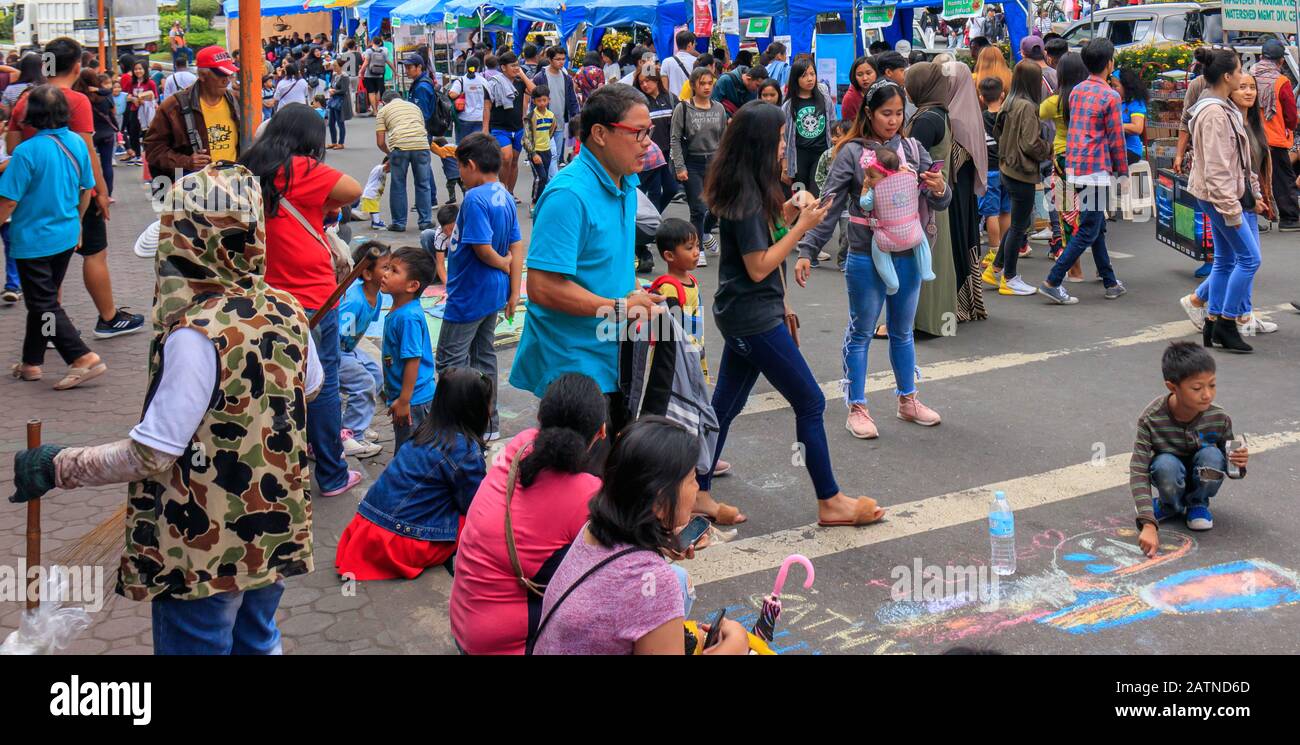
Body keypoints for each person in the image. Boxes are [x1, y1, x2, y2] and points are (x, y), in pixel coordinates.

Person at [10, 161, 322, 654]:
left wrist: (60, 465)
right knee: (258, 639)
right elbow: (310, 388)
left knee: (200, 643)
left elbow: (151, 454)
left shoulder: (195, 335)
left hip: (201, 547)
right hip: (273, 528)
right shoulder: (286, 308)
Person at [690, 101, 884, 527]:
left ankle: (696, 489)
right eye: (779, 139)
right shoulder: (743, 196)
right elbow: (759, 263)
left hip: (752, 312)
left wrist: (791, 213)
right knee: (810, 401)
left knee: (726, 404)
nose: (784, 146)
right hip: (751, 318)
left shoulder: (753, 186)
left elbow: (765, 241)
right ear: (760, 144)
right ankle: (829, 501)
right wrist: (802, 226)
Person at [799, 81, 950, 441]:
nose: (893, 121)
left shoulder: (913, 149)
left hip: (910, 252)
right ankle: (857, 405)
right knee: (862, 330)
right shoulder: (850, 152)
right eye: (886, 113)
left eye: (899, 113)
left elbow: (941, 201)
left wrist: (939, 186)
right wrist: (807, 249)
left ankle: (907, 399)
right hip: (866, 254)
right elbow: (830, 204)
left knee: (902, 330)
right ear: (869, 113)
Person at [510, 85, 661, 442]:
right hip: (575, 364)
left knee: (615, 468)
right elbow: (543, 287)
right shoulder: (569, 195)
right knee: (581, 480)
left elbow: (605, 265)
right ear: (600, 134)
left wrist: (639, 294)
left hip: (613, 352)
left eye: (649, 132)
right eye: (637, 133)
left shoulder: (624, 183)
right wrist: (619, 307)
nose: (647, 143)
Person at [532, 417, 751, 655]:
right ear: (659, 500)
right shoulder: (656, 583)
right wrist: (734, 647)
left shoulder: (593, 530)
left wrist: (659, 542)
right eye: (690, 479)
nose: (697, 487)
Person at [241, 103, 364, 498]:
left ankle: (279, 465)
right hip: (312, 296)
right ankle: (331, 474)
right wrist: (325, 202)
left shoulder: (251, 167)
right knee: (322, 384)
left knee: (275, 382)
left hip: (265, 295)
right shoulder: (300, 168)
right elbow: (353, 190)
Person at [450, 373, 608, 655]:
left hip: (464, 630)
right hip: (510, 646)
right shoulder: (588, 494)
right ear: (602, 432)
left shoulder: (520, 445)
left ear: (539, 418)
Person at [10, 38, 140, 339]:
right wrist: (101, 192)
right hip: (77, 194)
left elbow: (14, 149)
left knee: (47, 270)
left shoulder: (25, 99)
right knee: (95, 253)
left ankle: (50, 331)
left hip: (35, 196)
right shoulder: (76, 101)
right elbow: (86, 151)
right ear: (78, 66)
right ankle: (108, 318)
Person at [336, 367, 491, 580]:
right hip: (399, 544)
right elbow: (475, 504)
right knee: (487, 517)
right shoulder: (463, 449)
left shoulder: (425, 431)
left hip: (367, 530)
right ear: (476, 409)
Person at [1, 85, 103, 389]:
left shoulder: (26, 152)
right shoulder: (76, 143)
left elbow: (8, 201)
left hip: (33, 240)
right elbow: (87, 189)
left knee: (44, 302)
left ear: (31, 115)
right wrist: (80, 225)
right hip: (66, 234)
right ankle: (32, 362)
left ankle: (81, 356)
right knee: (42, 300)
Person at [1180, 71, 1278, 338]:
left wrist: (1259, 197)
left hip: (1245, 199)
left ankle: (1210, 307)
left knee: (1232, 260)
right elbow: (1218, 171)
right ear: (1228, 86)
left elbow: (1253, 169)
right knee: (1247, 259)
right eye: (1241, 85)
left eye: (1252, 87)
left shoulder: (1249, 122)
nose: (1247, 91)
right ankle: (1234, 316)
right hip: (1232, 201)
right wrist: (1235, 205)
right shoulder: (1222, 119)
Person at [439, 133, 522, 440]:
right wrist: (514, 291)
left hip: (469, 294)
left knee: (451, 362)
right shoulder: (503, 193)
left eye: (460, 167)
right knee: (483, 356)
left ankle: (459, 427)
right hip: (493, 293)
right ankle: (490, 424)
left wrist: (501, 263)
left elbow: (483, 248)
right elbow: (517, 242)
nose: (459, 174)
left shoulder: (475, 198)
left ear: (471, 165)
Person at [1130, 342, 1248, 557]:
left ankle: (1197, 503)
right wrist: (1148, 522)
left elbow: (1231, 467)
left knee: (1212, 455)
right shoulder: (1151, 418)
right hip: (1169, 472)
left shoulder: (1219, 417)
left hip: (1202, 471)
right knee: (1165, 464)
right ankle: (1168, 505)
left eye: (1212, 385)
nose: (1207, 394)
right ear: (1172, 387)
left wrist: (1239, 465)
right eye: (1197, 388)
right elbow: (1138, 470)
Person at [1038, 39, 1128, 305]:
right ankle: (1053, 280)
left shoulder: (1077, 91)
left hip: (1075, 166)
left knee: (1095, 225)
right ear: (1109, 63)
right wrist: (1122, 173)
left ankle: (1110, 281)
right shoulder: (1111, 96)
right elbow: (1116, 139)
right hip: (1096, 170)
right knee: (1089, 228)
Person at [907, 61, 989, 333]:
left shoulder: (944, 118)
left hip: (947, 195)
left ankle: (941, 313)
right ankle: (954, 309)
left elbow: (929, 160)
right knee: (948, 252)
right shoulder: (954, 113)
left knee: (938, 253)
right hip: (956, 195)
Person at [986, 61, 1054, 297]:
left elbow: (999, 133)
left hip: (1007, 168)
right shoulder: (1026, 107)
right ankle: (1010, 277)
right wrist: (1048, 148)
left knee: (1016, 224)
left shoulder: (1009, 102)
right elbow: (1030, 143)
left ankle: (996, 268)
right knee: (1019, 226)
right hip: (1021, 172)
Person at [380, 246, 439, 450]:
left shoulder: (408, 317)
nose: (385, 274)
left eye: (394, 271)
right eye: (387, 267)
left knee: (410, 452)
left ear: (412, 285)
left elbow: (412, 360)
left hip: (415, 400)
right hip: (407, 397)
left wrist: (404, 400)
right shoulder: (400, 309)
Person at [856, 146, 937, 294]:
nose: (867, 179)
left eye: (871, 176)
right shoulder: (909, 179)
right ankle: (926, 270)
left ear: (886, 173)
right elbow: (916, 182)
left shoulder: (875, 190)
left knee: (879, 253)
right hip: (913, 232)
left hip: (886, 237)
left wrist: (865, 189)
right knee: (922, 242)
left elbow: (865, 205)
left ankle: (891, 282)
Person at [337, 241, 390, 460]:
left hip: (348, 348)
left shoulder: (376, 296)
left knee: (376, 374)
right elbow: (337, 335)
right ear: (367, 274)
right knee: (364, 383)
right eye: (385, 267)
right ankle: (351, 434)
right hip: (336, 351)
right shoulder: (355, 301)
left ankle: (360, 422)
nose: (389, 272)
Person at [671, 67, 728, 261]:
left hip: (714, 162)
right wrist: (680, 167)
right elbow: (675, 139)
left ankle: (704, 232)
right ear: (693, 85)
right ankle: (698, 249)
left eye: (709, 83)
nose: (706, 87)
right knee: (698, 208)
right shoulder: (683, 108)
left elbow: (723, 139)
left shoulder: (719, 108)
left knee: (717, 206)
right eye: (702, 83)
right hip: (692, 163)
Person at [1252, 39, 1299, 230]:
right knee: (1282, 179)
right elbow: (1290, 116)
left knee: (1253, 176)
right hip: (1275, 137)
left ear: (1262, 57)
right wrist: (1291, 126)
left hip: (1252, 135)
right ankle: (1290, 218)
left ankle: (1258, 217)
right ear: (1280, 61)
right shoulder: (1281, 81)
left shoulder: (1250, 75)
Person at [377, 90, 436, 231]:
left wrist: (389, 153)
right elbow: (422, 127)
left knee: (398, 184)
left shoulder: (383, 111)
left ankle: (399, 223)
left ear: (384, 102)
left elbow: (380, 142)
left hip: (399, 146)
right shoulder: (415, 107)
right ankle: (425, 221)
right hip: (421, 145)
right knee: (423, 184)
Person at [483, 52, 534, 198]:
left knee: (514, 161)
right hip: (499, 128)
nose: (516, 68)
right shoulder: (493, 83)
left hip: (517, 128)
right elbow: (487, 107)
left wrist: (523, 76)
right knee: (506, 157)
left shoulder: (520, 81)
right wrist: (485, 129)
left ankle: (510, 192)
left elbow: (534, 91)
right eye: (513, 66)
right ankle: (503, 189)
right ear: (503, 67)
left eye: (517, 65)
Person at [782, 58, 835, 197]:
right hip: (799, 156)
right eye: (804, 75)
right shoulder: (789, 105)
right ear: (795, 78)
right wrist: (785, 165)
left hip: (821, 153)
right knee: (800, 195)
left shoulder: (825, 99)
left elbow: (833, 125)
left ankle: (816, 219)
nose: (810, 79)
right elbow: (785, 136)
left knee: (817, 194)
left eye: (812, 74)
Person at [978, 76, 1011, 278]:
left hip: (988, 170)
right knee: (1006, 210)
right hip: (1007, 169)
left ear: (981, 97)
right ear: (1002, 94)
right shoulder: (1008, 116)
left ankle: (994, 251)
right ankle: (1006, 251)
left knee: (991, 212)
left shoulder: (980, 118)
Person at [636, 63, 679, 213]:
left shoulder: (671, 99)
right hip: (648, 155)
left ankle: (652, 219)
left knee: (672, 189)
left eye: (648, 80)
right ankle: (648, 227)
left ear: (656, 79)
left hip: (668, 154)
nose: (645, 85)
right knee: (651, 191)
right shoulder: (639, 103)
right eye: (641, 82)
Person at [532, 47, 580, 174]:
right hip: (542, 124)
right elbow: (534, 101)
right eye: (557, 59)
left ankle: (548, 181)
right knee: (546, 156)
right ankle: (547, 181)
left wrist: (576, 117)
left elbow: (572, 99)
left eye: (563, 59)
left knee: (556, 156)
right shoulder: (540, 78)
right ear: (549, 59)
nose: (561, 62)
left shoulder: (567, 78)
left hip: (559, 123)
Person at [74, 70, 117, 198]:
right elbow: (113, 111)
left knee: (88, 164)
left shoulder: (80, 97)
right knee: (107, 164)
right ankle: (108, 194)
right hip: (107, 134)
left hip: (88, 135)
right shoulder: (105, 95)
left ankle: (90, 193)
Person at [524, 84, 555, 208]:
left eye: (544, 100)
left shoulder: (551, 116)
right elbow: (527, 137)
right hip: (535, 152)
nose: (542, 103)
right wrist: (533, 153)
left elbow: (551, 131)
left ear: (548, 100)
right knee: (540, 177)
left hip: (547, 150)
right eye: (539, 101)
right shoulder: (530, 117)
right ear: (534, 101)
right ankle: (534, 202)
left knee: (544, 177)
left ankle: (541, 201)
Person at [1112, 67, 1147, 164]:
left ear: (1126, 86)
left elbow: (1137, 128)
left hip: (1131, 150)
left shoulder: (1136, 103)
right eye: (1112, 86)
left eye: (1116, 86)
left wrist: (1114, 126)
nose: (1112, 89)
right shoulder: (1116, 102)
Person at [420, 203, 457, 285]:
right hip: (447, 252)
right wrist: (448, 286)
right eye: (445, 230)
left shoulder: (467, 229)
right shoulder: (440, 235)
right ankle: (435, 274)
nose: (449, 233)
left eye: (451, 229)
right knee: (426, 235)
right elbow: (440, 264)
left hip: (461, 256)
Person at [840, 56, 878, 125]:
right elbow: (848, 128)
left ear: (876, 73)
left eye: (869, 73)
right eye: (859, 75)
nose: (865, 78)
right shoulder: (850, 99)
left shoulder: (883, 91)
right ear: (854, 76)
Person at [663, 29, 699, 98]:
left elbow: (665, 88)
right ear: (690, 45)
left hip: (673, 104)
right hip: (691, 103)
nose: (695, 46)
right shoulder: (697, 62)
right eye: (694, 43)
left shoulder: (666, 62)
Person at [362, 36, 392, 115]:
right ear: (380, 43)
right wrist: (395, 71)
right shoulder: (383, 52)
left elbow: (366, 63)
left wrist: (360, 72)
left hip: (369, 74)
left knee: (371, 92)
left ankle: (374, 110)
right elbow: (389, 62)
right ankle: (376, 108)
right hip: (379, 75)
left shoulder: (368, 51)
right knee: (377, 92)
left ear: (372, 42)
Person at [326, 58, 353, 149]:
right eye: (333, 65)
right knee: (331, 123)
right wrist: (330, 89)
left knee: (340, 122)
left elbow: (344, 90)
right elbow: (331, 85)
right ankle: (334, 142)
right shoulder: (334, 75)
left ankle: (341, 143)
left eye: (335, 66)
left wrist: (334, 91)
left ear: (340, 66)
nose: (333, 67)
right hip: (333, 100)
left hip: (340, 101)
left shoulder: (344, 76)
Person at [359, 155, 388, 228]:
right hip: (371, 194)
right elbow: (387, 165)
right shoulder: (379, 168)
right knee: (374, 209)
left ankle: (374, 221)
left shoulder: (383, 172)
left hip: (373, 194)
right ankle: (376, 223)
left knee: (373, 209)